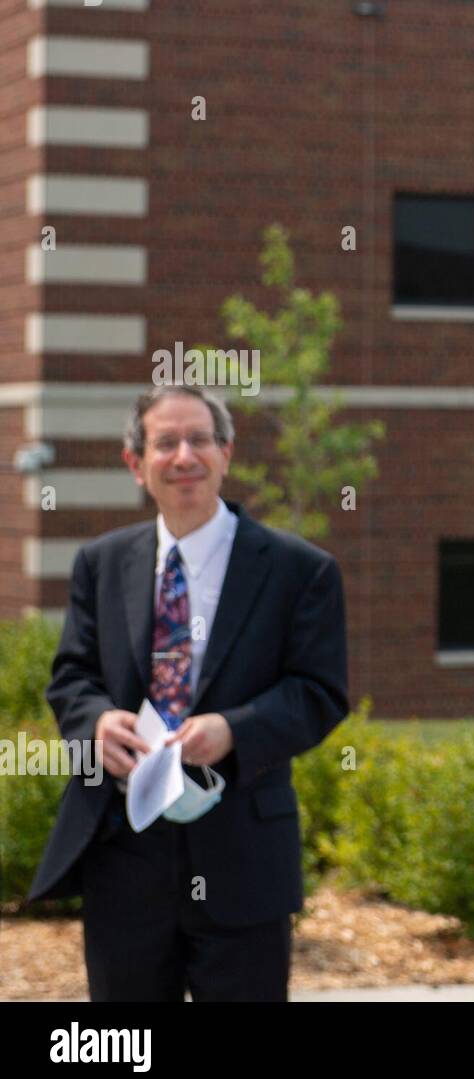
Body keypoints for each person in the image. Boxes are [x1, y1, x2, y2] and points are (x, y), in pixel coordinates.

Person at [26, 383, 350, 1001]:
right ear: (136, 464)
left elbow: (320, 693)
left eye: (200, 439)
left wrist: (236, 730)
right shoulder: (100, 562)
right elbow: (71, 677)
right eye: (165, 442)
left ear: (226, 453)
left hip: (243, 855)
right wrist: (95, 722)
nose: (184, 456)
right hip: (124, 854)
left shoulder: (299, 570)